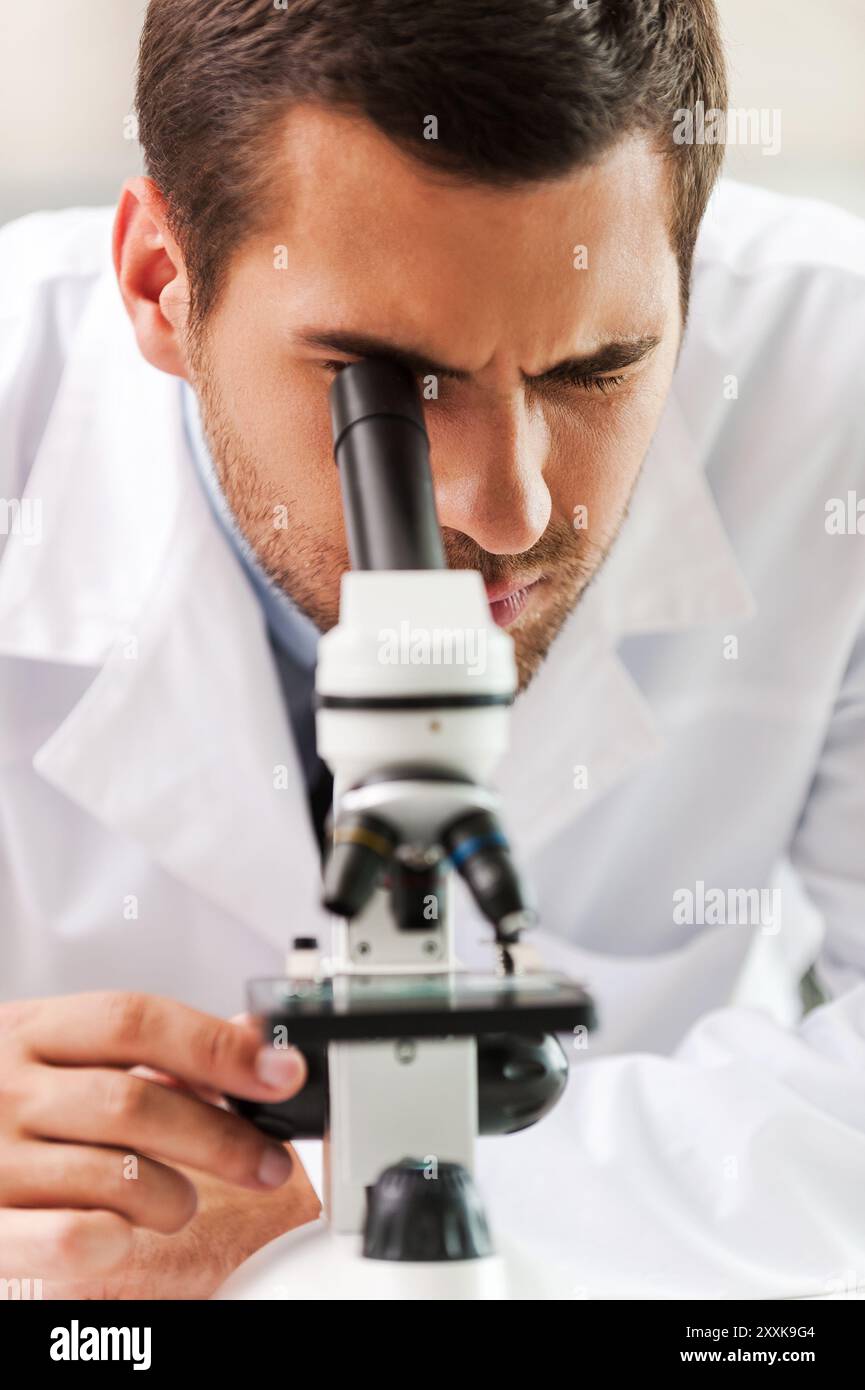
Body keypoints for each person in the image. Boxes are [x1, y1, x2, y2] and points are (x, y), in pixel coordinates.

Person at [1, 0, 864, 1299]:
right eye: (387, 383)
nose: (510, 509)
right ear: (159, 287)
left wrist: (327, 1216)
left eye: (596, 370)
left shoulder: (831, 382)